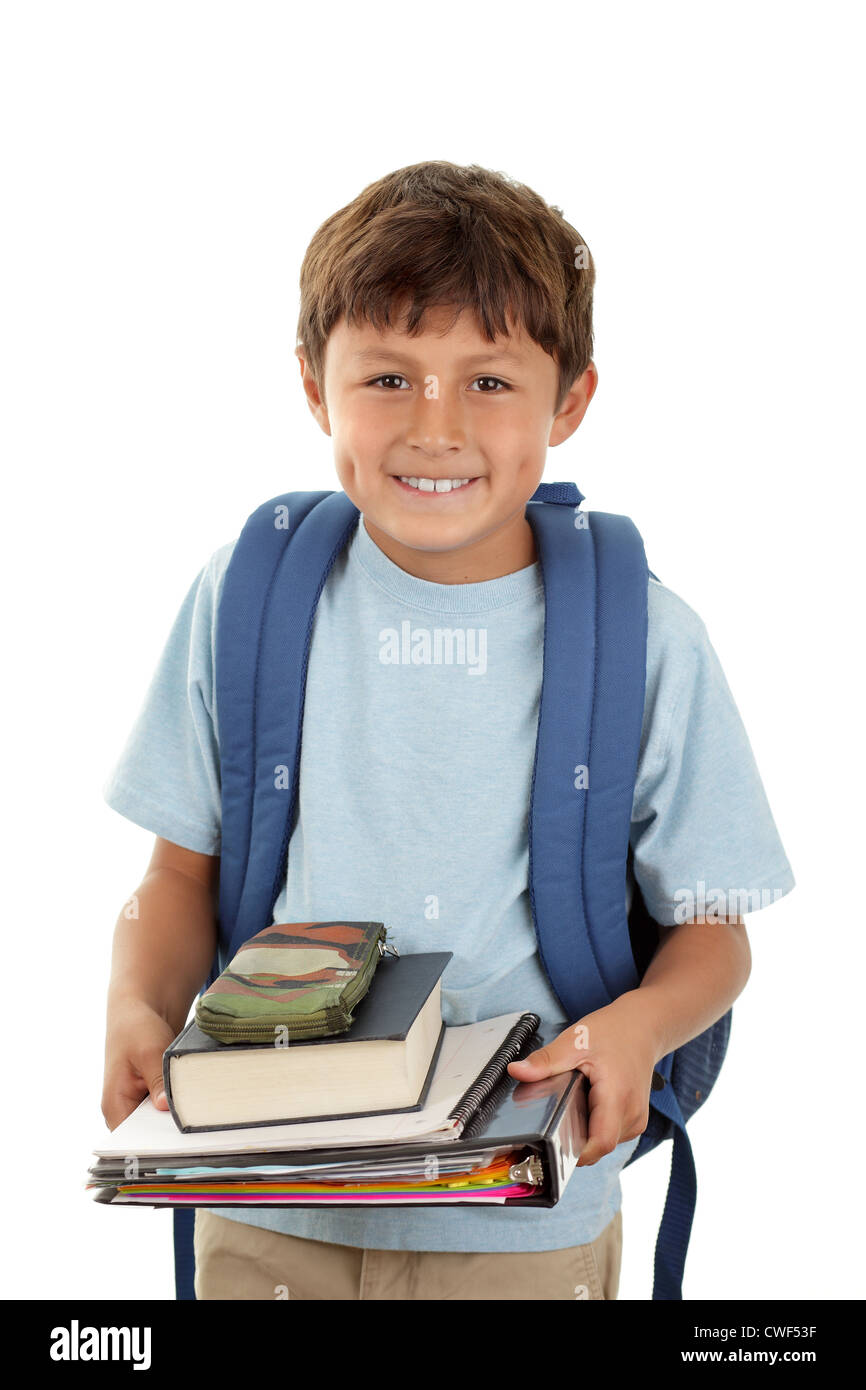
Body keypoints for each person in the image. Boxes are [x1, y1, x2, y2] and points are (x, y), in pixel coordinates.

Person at [101, 160, 795, 1300]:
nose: (435, 426)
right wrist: (138, 1000)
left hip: (521, 1221)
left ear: (567, 401)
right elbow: (181, 874)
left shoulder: (646, 636)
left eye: (487, 380)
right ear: (315, 388)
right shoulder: (245, 599)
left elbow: (712, 931)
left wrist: (633, 1030)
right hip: (272, 1205)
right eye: (387, 375)